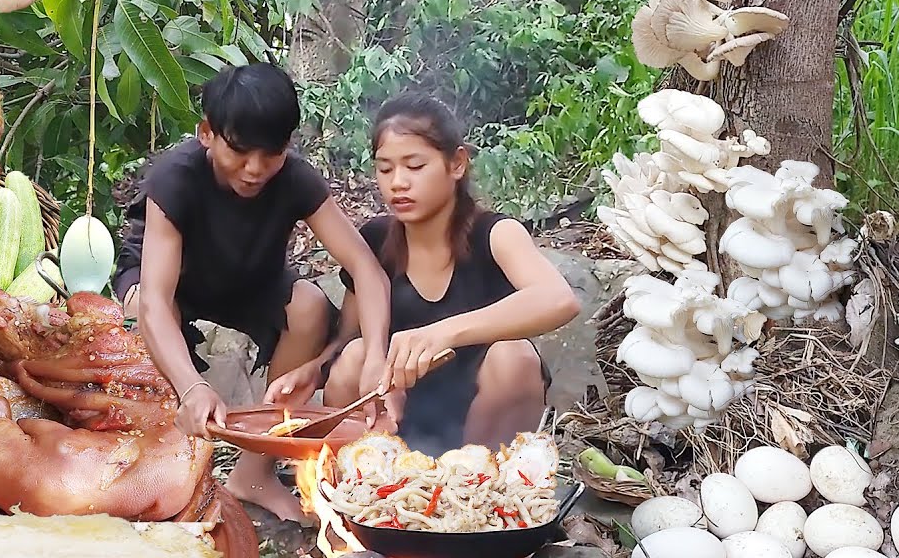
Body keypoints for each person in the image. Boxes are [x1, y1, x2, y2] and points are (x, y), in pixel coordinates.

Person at [118, 63, 391, 521]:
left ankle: (254, 472)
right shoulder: (175, 179)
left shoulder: (295, 179)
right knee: (138, 314)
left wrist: (377, 358)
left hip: (248, 281)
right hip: (170, 285)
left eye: (272, 153)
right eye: (240, 151)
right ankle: (160, 469)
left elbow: (367, 270)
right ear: (207, 134)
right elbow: (155, 302)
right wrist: (192, 387)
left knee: (309, 307)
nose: (255, 169)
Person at [282, 91, 580, 455]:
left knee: (514, 358)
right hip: (394, 415)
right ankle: (364, 480)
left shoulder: (495, 234)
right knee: (356, 356)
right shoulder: (375, 241)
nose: (398, 183)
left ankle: (483, 483)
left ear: (457, 164)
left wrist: (442, 333)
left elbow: (559, 299)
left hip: (481, 416)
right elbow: (346, 337)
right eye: (385, 168)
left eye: (415, 166)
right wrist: (315, 369)